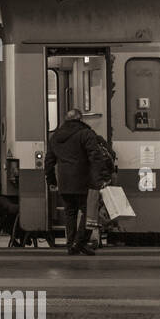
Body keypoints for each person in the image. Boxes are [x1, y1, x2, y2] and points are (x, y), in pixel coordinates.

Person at [44, 108, 112, 256]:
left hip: (65, 182)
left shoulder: (55, 136)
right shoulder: (86, 133)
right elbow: (96, 157)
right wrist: (102, 178)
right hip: (83, 181)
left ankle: (71, 245)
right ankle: (78, 243)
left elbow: (49, 161)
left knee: (70, 214)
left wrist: (52, 180)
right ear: (80, 119)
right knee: (90, 214)